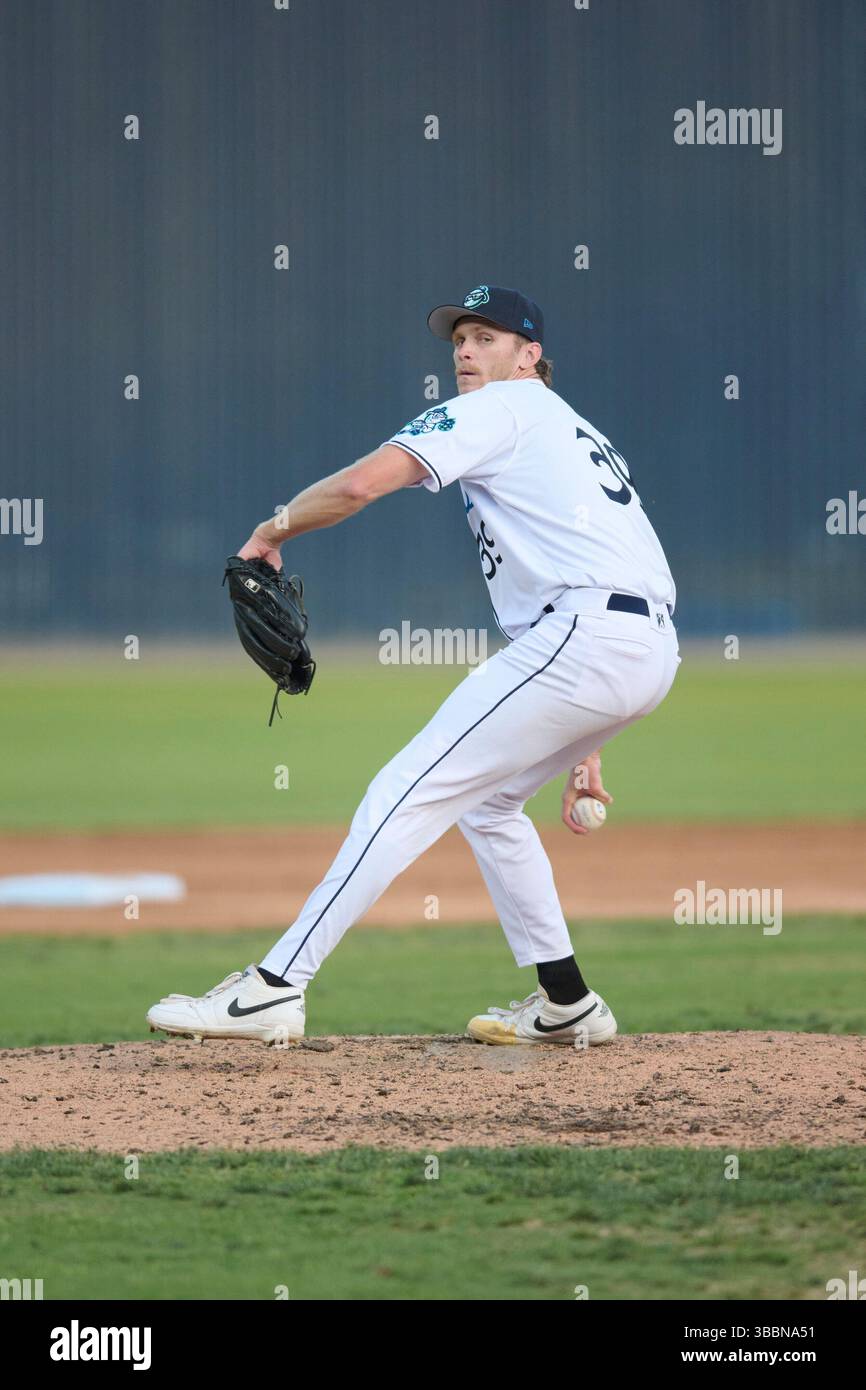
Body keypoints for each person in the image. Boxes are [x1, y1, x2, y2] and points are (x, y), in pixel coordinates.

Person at [147, 284, 679, 1048]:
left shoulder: (499, 408)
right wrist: (587, 737)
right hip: (642, 649)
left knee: (406, 788)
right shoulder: (569, 428)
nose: (466, 351)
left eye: (488, 338)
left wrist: (272, 529)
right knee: (489, 804)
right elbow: (602, 561)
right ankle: (565, 1002)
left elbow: (365, 483)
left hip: (587, 639)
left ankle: (272, 989)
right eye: (459, 338)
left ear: (531, 356)